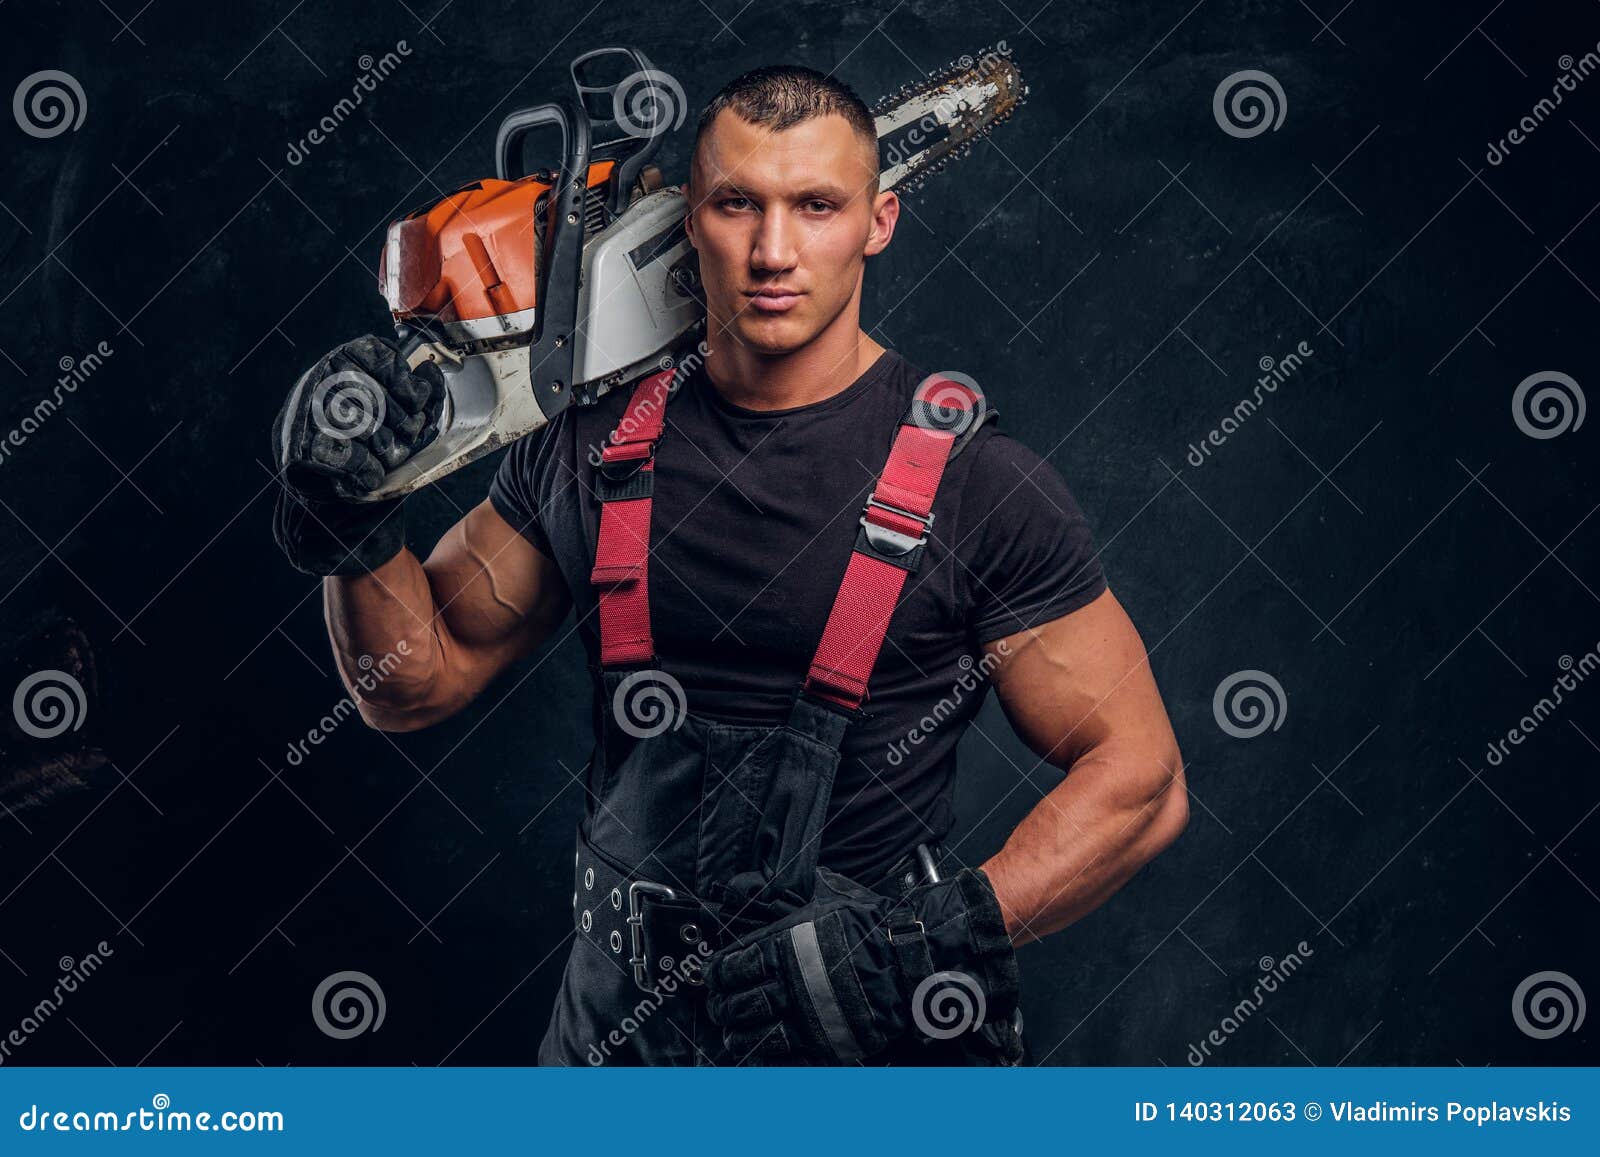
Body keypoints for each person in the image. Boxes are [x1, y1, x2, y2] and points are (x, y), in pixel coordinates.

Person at [270, 64, 1187, 1066]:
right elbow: (411, 681)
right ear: (683, 222)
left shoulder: (977, 485)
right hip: (613, 1037)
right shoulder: (588, 447)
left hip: (853, 1036)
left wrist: (925, 945)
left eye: (817, 206)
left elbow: (1140, 778)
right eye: (737, 204)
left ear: (878, 222)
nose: (772, 249)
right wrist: (349, 521)